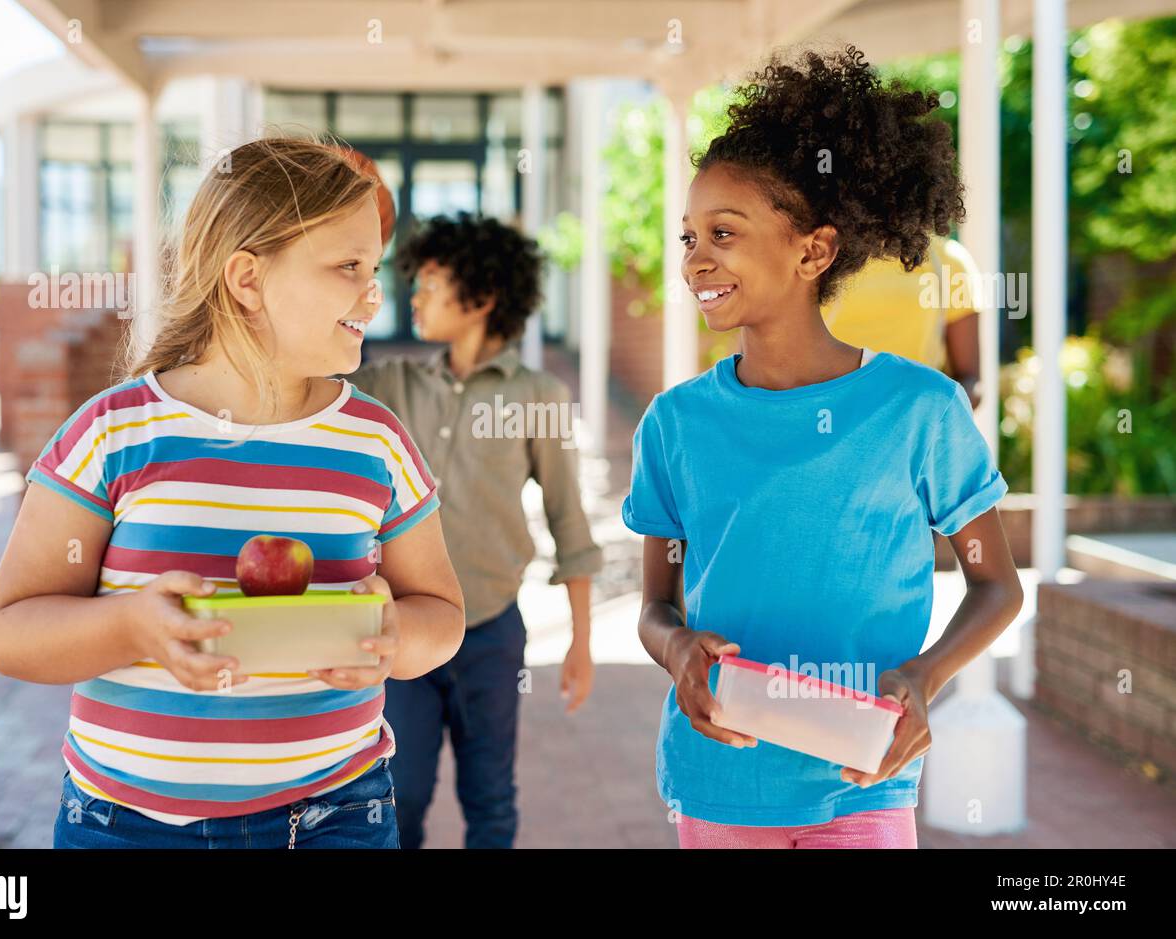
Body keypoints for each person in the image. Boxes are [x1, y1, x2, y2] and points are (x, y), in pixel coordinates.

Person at [0, 137, 465, 848]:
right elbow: (10, 631)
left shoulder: (375, 442)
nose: (375, 291)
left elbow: (442, 613)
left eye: (376, 267)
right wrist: (129, 627)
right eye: (348, 267)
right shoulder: (114, 434)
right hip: (123, 825)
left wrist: (395, 638)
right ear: (246, 278)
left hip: (334, 816)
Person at [622, 46, 1023, 849]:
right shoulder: (675, 425)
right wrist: (678, 653)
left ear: (813, 250)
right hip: (717, 783)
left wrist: (923, 677)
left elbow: (997, 589)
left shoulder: (922, 411)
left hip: (859, 786)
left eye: (724, 233)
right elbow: (654, 607)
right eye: (689, 235)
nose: (696, 257)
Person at [346, 212, 603, 849]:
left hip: (490, 635)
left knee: (490, 803)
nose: (417, 297)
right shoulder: (388, 384)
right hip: (404, 632)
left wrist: (581, 643)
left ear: (483, 298)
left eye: (432, 284)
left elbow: (569, 521)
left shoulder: (538, 395)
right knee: (398, 796)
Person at [821, 234, 984, 407]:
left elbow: (970, 380)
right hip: (831, 417)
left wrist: (922, 414)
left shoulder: (948, 261)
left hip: (914, 424)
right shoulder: (819, 254)